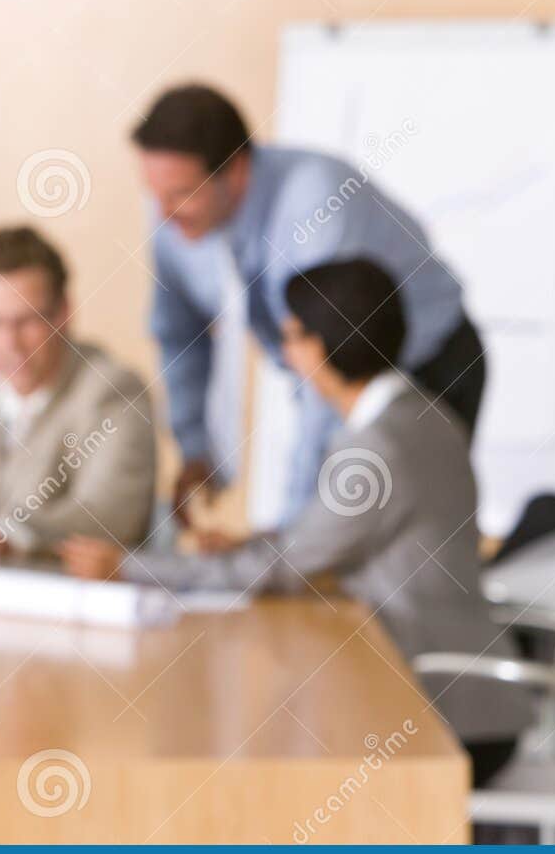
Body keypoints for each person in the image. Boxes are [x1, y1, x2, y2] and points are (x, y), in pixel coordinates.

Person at [61, 258, 529, 785]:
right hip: (471, 701)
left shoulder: (376, 448)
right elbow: (334, 538)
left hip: (441, 718)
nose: (284, 354)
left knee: (262, 748)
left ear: (325, 345)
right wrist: (251, 543)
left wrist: (128, 568)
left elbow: (282, 570)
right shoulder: (424, 415)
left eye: (291, 337)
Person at [133, 83, 485, 527]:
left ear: (235, 172)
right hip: (333, 377)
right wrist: (195, 449)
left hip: (429, 366)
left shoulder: (314, 206)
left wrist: (291, 536)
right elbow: (179, 335)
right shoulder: (174, 218)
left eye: (182, 193)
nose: (163, 212)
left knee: (384, 536)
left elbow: (329, 369)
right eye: (155, 193)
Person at [0, 226, 157, 565]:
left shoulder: (115, 392)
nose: (10, 344)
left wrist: (9, 534)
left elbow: (110, 518)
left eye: (26, 321)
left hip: (65, 590)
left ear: (63, 313)